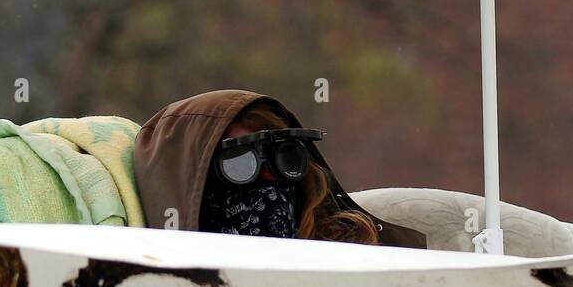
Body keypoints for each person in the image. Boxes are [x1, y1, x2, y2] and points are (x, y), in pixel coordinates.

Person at [134, 89, 427, 249]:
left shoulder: (354, 255)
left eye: (284, 160)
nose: (269, 184)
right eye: (239, 164)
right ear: (192, 184)